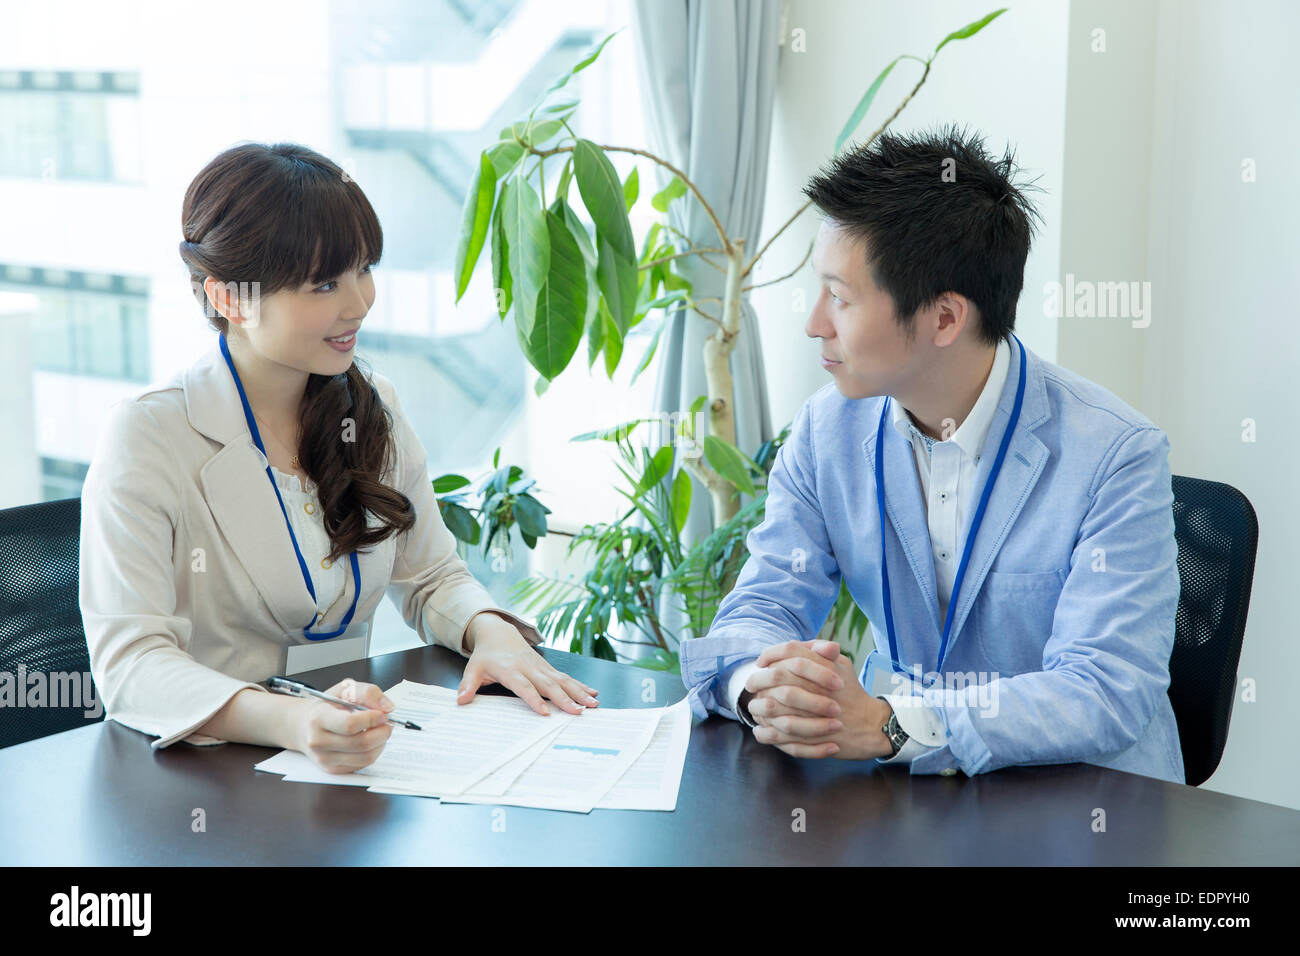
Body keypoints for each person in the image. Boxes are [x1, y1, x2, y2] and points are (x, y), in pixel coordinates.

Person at [680, 124, 1184, 783]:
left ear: (944, 319)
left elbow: (1104, 690)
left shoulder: (1115, 456)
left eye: (840, 297)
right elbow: (760, 607)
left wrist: (895, 723)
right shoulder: (826, 431)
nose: (815, 324)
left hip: (1081, 808)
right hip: (909, 804)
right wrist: (761, 686)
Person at [79, 142, 598, 774]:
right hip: (205, 784)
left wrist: (489, 632)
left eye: (363, 269)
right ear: (231, 298)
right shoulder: (150, 434)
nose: (359, 303)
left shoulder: (370, 405)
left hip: (353, 768)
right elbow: (130, 666)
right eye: (325, 283)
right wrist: (292, 721)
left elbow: (432, 576)